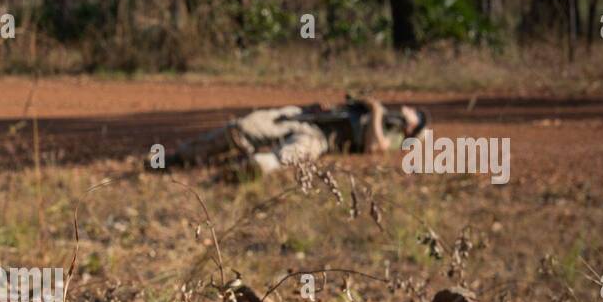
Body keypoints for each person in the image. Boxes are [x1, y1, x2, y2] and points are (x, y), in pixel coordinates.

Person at [167, 96, 429, 176]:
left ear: (411, 128)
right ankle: (180, 157)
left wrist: (375, 112)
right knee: (239, 128)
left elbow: (374, 148)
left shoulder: (393, 133)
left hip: (321, 138)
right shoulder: (384, 114)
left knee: (290, 154)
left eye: (412, 114)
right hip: (302, 116)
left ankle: (251, 168)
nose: (406, 110)